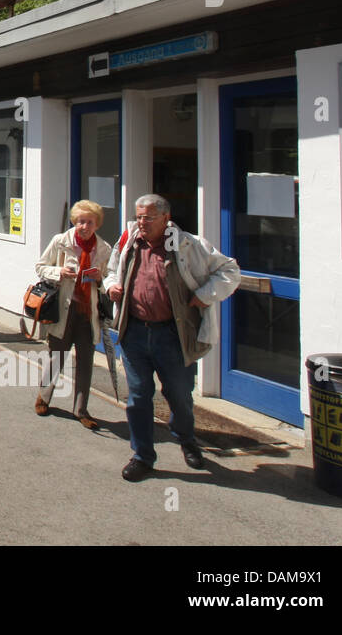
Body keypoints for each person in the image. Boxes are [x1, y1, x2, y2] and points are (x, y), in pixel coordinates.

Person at [104, 194, 241, 482]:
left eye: (149, 217)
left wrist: (205, 296)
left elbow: (229, 270)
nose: (142, 222)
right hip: (135, 332)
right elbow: (110, 269)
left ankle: (186, 439)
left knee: (179, 395)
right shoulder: (129, 240)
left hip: (173, 335)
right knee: (139, 396)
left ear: (166, 218)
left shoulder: (189, 244)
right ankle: (142, 456)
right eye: (139, 216)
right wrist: (111, 286)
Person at [33, 200, 113, 429]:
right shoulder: (61, 242)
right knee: (56, 356)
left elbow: (108, 280)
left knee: (86, 361)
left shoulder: (104, 249)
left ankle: (81, 409)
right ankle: (44, 397)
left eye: (89, 222)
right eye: (80, 222)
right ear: (74, 222)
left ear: (97, 224)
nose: (84, 226)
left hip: (87, 314)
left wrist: (99, 279)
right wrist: (59, 272)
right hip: (64, 310)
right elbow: (40, 266)